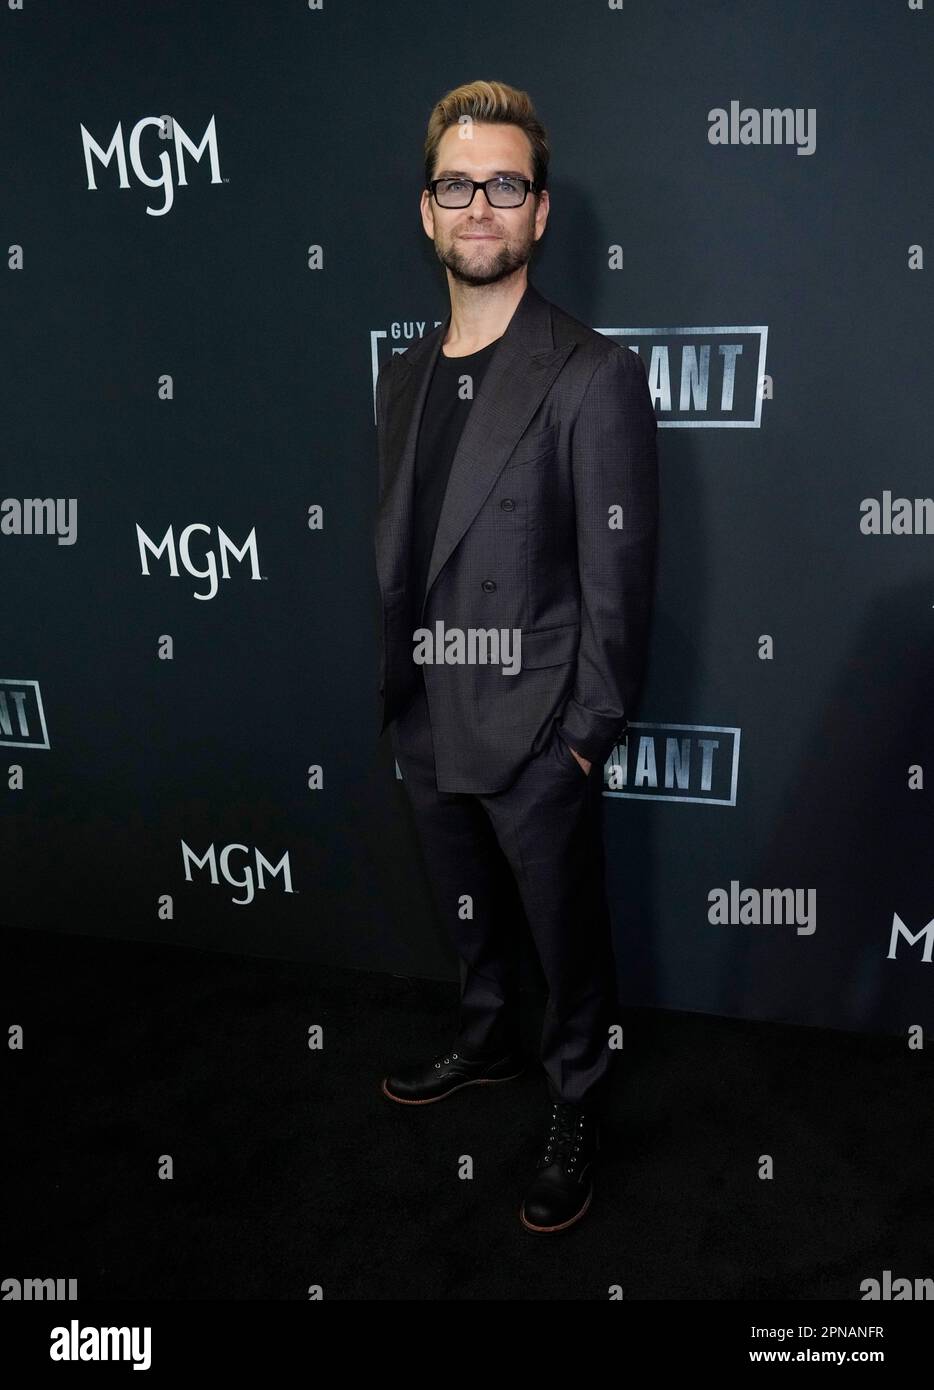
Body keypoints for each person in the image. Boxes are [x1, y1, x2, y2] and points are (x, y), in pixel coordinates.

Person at [373, 79, 659, 1233]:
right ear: (427, 211)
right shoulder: (400, 376)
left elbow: (619, 586)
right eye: (457, 184)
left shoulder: (591, 375)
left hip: (539, 725)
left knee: (565, 934)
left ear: (538, 213)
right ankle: (486, 1037)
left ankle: (576, 1094)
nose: (477, 204)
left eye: (504, 184)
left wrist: (583, 739)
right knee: (467, 914)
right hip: (426, 709)